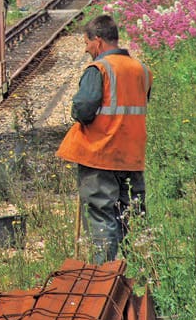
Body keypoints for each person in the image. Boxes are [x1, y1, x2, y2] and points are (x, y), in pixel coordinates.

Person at [57, 15, 152, 264]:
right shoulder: (141, 70)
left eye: (86, 43)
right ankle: (138, 276)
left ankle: (104, 278)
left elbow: (83, 109)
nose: (86, 49)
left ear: (97, 41)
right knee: (132, 218)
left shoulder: (99, 69)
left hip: (100, 156)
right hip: (132, 158)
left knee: (102, 217)